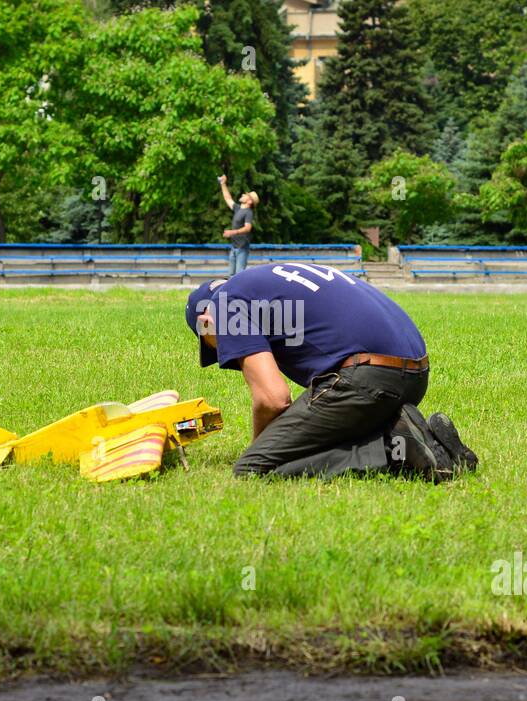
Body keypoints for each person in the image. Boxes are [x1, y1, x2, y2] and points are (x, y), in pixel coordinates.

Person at [184, 262, 477, 480]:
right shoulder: (270, 278)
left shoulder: (224, 306)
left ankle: (393, 451)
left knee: (252, 468)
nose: (224, 352)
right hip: (415, 375)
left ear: (205, 321)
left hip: (370, 376)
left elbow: (273, 399)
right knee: (318, 437)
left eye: (212, 343)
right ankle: (422, 440)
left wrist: (260, 449)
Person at [217, 175, 257, 275]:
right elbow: (228, 198)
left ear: (249, 201)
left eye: (246, 195)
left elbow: (248, 228)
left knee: (239, 275)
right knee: (231, 275)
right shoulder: (238, 209)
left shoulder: (248, 212)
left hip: (242, 248)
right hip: (234, 247)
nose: (243, 194)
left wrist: (232, 232)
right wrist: (223, 184)